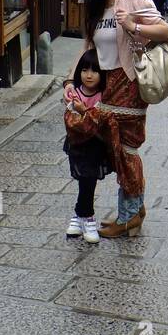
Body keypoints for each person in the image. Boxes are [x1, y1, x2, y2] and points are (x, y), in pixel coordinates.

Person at [73, 0, 168, 238]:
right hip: (107, 84)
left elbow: (165, 31)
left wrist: (132, 25)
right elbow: (89, 46)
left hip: (129, 82)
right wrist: (71, 81)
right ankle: (135, 207)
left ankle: (129, 216)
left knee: (125, 149)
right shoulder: (96, 2)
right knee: (115, 147)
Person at [62, 49, 108, 244]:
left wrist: (85, 110)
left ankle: (86, 217)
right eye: (85, 70)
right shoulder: (75, 93)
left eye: (95, 71)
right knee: (83, 179)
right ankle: (80, 216)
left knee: (88, 179)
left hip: (95, 144)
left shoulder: (103, 96)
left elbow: (101, 119)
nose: (89, 75)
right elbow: (70, 117)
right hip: (77, 144)